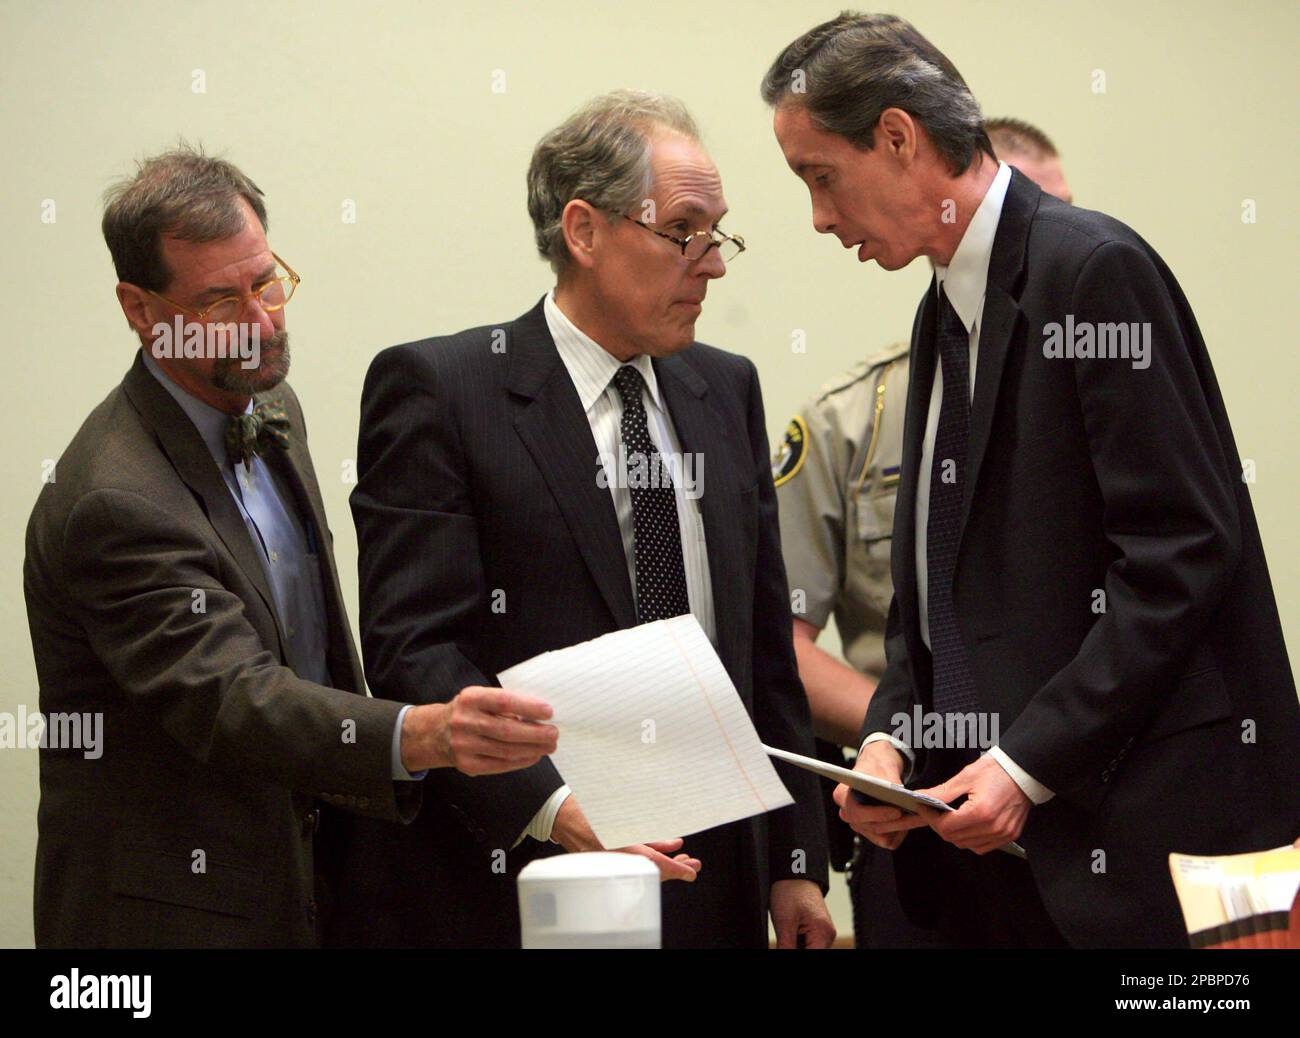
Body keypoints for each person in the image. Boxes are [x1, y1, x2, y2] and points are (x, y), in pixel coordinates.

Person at [762, 12, 1300, 947]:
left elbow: (1180, 558)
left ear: (897, 137)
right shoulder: (943, 309)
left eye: (820, 177)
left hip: (1167, 853)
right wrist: (894, 734)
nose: (818, 217)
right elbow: (936, 595)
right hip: (1013, 864)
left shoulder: (1094, 270)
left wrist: (1023, 763)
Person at [328, 91, 834, 949]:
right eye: (685, 230)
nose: (712, 263)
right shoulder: (445, 390)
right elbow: (416, 647)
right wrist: (557, 809)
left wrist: (794, 861)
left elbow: (760, 646)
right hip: (534, 876)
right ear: (585, 230)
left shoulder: (727, 388)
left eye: (720, 234)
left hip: (717, 878)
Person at [23, 146, 557, 949]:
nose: (263, 322)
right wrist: (425, 732)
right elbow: (233, 699)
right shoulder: (114, 498)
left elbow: (312, 644)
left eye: (266, 283)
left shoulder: (268, 398)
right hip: (180, 915)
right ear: (139, 309)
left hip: (314, 884)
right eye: (218, 303)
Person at [774, 114, 1074, 948]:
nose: (1041, 251)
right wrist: (898, 740)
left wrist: (1024, 757)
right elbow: (783, 642)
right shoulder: (867, 411)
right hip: (925, 831)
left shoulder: (1095, 363)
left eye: (1059, 217)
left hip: (1078, 818)